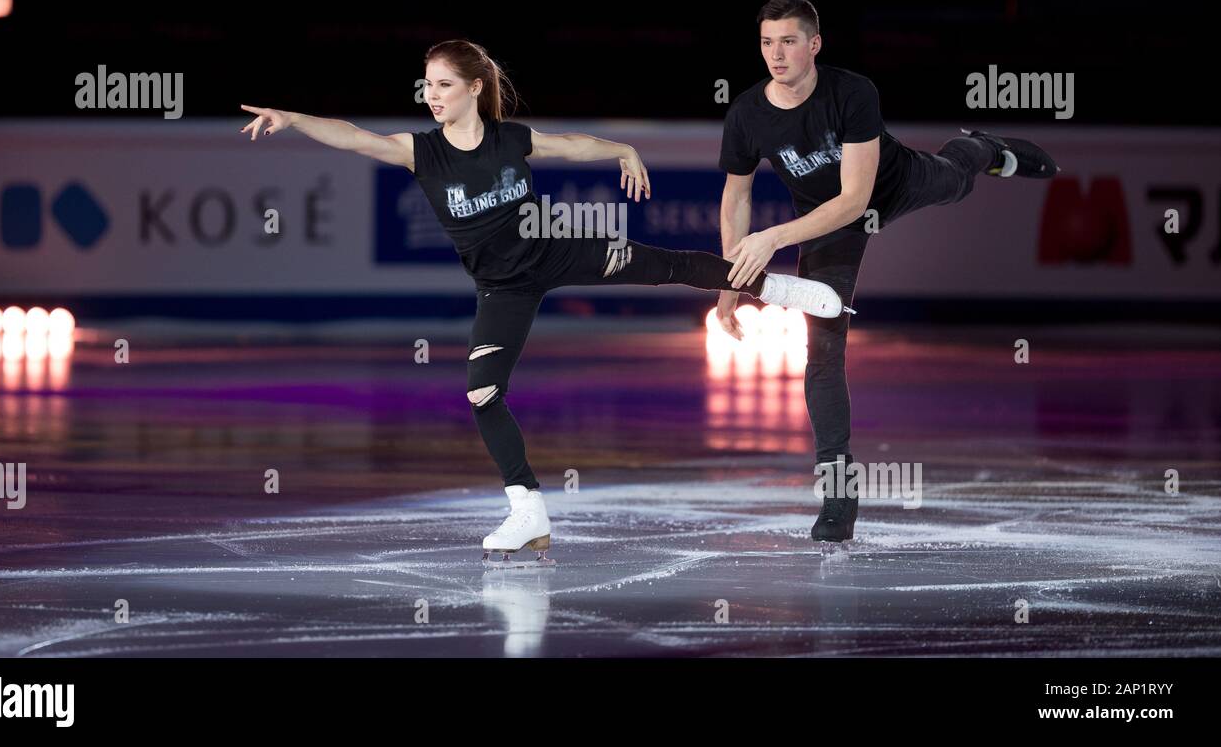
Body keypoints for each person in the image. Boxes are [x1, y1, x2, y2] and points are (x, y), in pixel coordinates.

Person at [241, 38, 848, 565]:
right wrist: (293, 117)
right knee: (482, 392)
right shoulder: (421, 151)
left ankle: (779, 289)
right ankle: (527, 508)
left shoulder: (510, 139)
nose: (432, 95)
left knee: (668, 265)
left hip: (557, 248)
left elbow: (568, 144)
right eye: (427, 85)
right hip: (502, 289)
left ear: (474, 88)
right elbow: (353, 138)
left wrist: (621, 149)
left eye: (444, 85)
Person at [716, 0, 1058, 554]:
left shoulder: (853, 92)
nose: (776, 54)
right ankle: (838, 496)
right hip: (825, 230)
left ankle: (982, 148)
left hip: (888, 186)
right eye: (767, 43)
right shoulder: (747, 113)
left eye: (789, 41)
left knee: (955, 178)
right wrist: (730, 281)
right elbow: (736, 198)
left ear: (814, 45)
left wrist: (774, 238)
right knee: (822, 354)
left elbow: (855, 199)